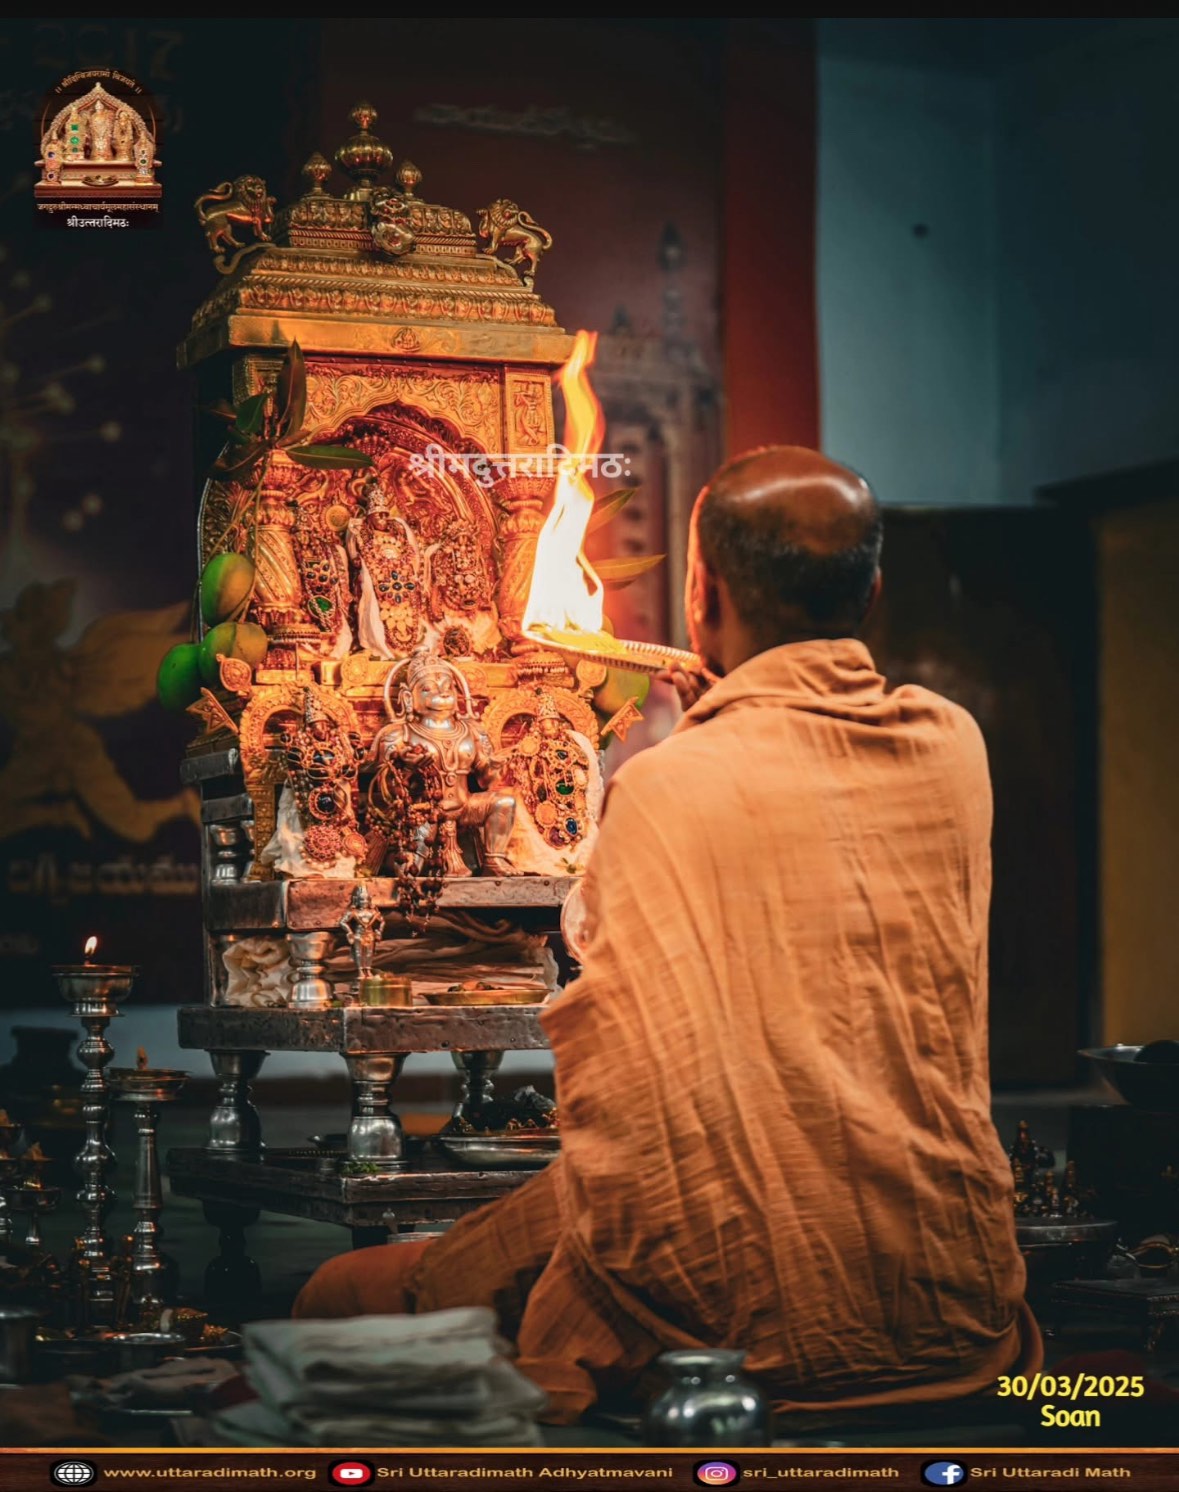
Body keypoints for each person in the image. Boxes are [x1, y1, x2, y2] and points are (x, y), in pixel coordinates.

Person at [294, 445, 1040, 1422]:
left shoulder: (666, 784)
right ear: (872, 593)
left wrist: (694, 749)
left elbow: (623, 1081)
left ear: (702, 595)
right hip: (956, 1293)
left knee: (336, 1297)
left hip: (726, 1302)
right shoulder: (952, 745)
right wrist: (719, 729)